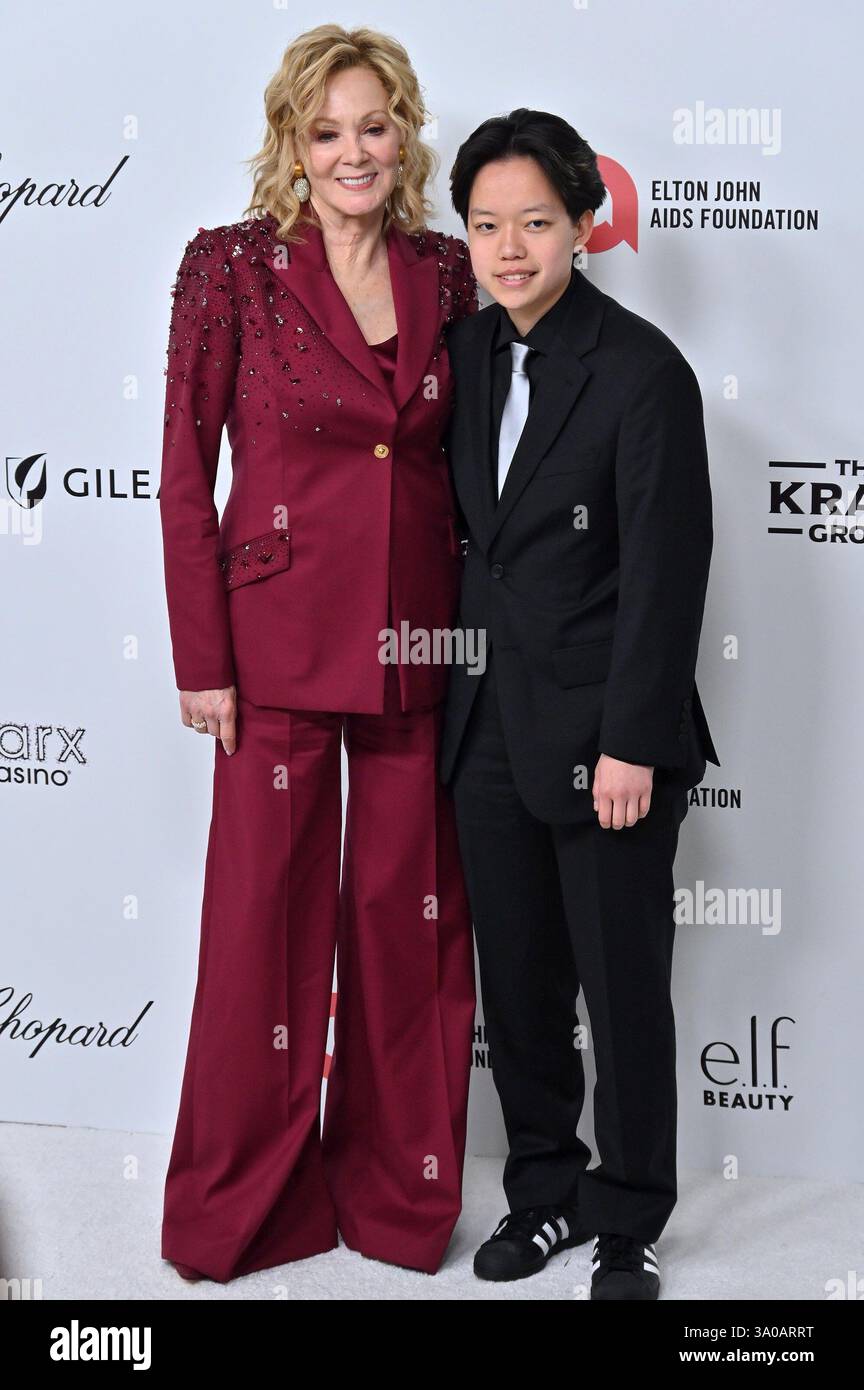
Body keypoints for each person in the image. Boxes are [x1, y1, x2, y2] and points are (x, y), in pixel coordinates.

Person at [158, 24, 478, 1284]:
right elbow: (187, 473)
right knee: (260, 936)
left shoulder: (448, 272)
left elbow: (468, 460)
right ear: (293, 140)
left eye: (376, 124)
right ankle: (249, 1204)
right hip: (272, 648)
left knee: (409, 929)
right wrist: (202, 658)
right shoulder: (227, 265)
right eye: (329, 128)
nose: (355, 150)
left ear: (406, 137)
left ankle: (400, 1202)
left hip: (418, 642)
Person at [440, 108, 720, 1300]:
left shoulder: (644, 370)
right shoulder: (466, 355)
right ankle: (542, 1192)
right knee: (522, 990)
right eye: (487, 224)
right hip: (487, 735)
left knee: (622, 987)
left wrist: (630, 744)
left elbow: (667, 573)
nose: (510, 248)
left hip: (610, 740)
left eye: (536, 223)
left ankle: (630, 1217)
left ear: (583, 224)